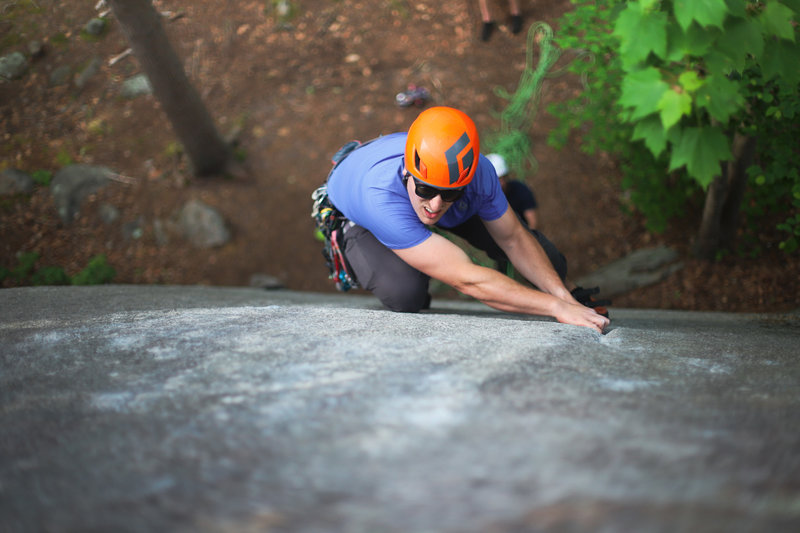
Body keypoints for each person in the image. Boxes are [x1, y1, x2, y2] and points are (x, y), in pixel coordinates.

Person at [316, 106, 609, 333]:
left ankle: (429, 233)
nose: (435, 205)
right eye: (425, 190)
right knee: (406, 294)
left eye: (449, 194)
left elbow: (514, 238)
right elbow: (467, 279)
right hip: (358, 206)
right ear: (408, 172)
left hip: (428, 188)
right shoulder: (379, 196)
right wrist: (555, 308)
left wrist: (564, 295)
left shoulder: (478, 172)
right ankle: (382, 244)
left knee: (547, 256)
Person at [486, 153, 538, 230]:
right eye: (496, 180)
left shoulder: (520, 189)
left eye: (501, 179)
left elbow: (533, 222)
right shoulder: (484, 201)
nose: (500, 183)